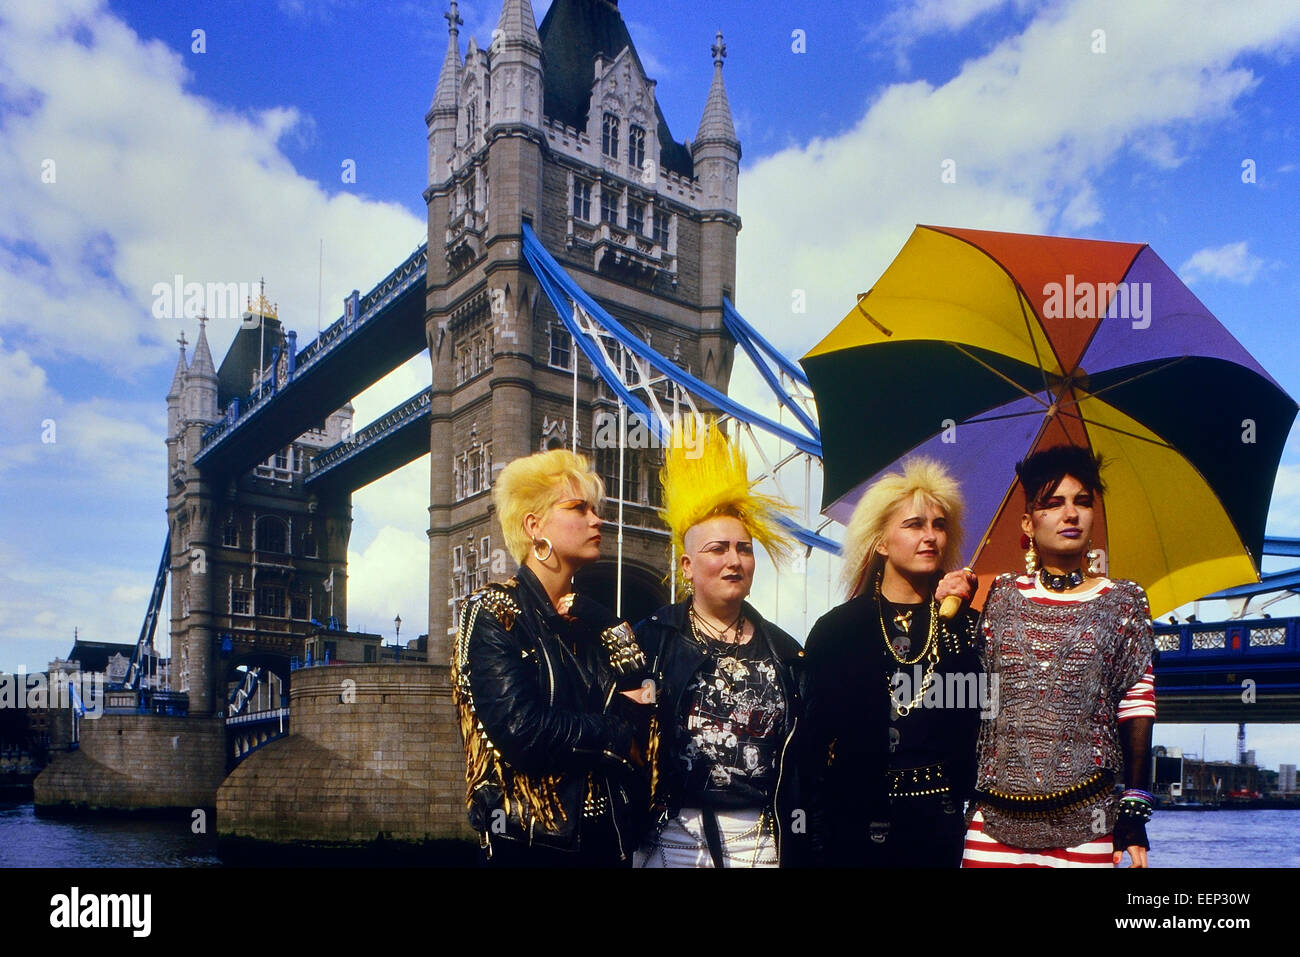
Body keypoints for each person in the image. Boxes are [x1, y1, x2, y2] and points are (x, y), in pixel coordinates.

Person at [450, 449, 648, 866]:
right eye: (578, 508)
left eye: (596, 509)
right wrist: (613, 735)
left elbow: (645, 710)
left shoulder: (592, 624)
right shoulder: (495, 613)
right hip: (533, 846)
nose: (597, 520)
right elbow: (524, 731)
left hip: (608, 843)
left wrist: (607, 623)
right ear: (534, 525)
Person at [962, 445, 1156, 868]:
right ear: (1028, 523)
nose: (1071, 514)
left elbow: (1137, 708)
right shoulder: (998, 596)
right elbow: (969, 690)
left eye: (1082, 502)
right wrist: (950, 610)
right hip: (992, 820)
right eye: (1053, 504)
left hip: (1089, 824)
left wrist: (1134, 813)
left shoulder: (1124, 600)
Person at [632, 422, 807, 868]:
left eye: (744, 549)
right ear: (687, 566)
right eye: (718, 549)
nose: (734, 560)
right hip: (671, 835)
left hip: (760, 840)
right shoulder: (649, 640)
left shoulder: (788, 653)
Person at [801, 457, 984, 867]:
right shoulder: (838, 630)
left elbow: (979, 722)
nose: (931, 536)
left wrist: (956, 627)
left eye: (939, 526)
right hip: (853, 829)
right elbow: (810, 749)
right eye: (914, 524)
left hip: (942, 828)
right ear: (881, 542)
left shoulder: (968, 628)